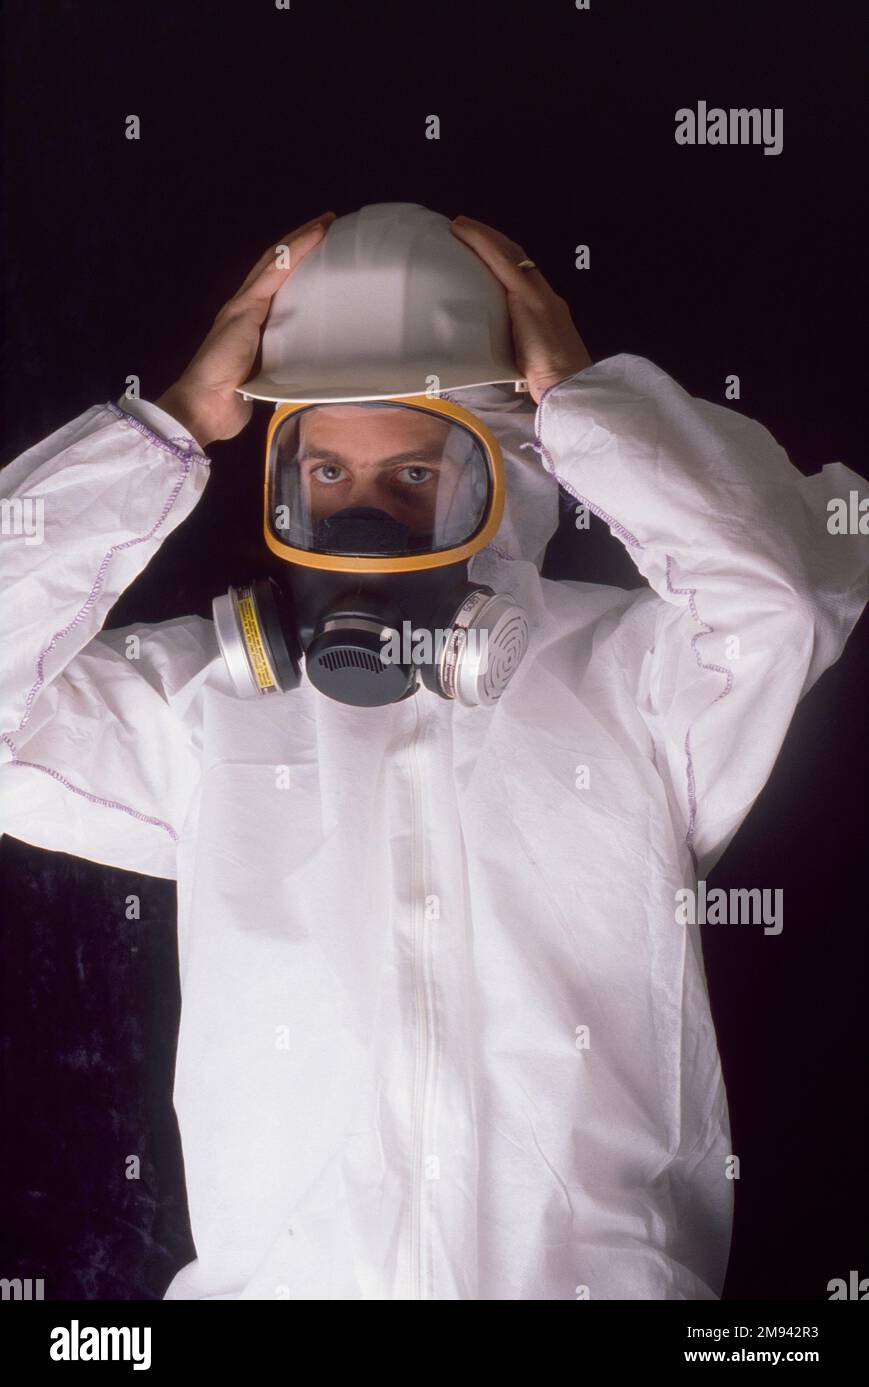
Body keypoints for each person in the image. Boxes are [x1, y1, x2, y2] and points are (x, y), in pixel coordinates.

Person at [1, 203, 865, 1301]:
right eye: (327, 475)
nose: (361, 520)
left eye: (413, 477)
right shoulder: (204, 710)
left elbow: (782, 599)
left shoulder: (643, 687)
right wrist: (168, 428)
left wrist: (587, 408)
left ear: (510, 468)